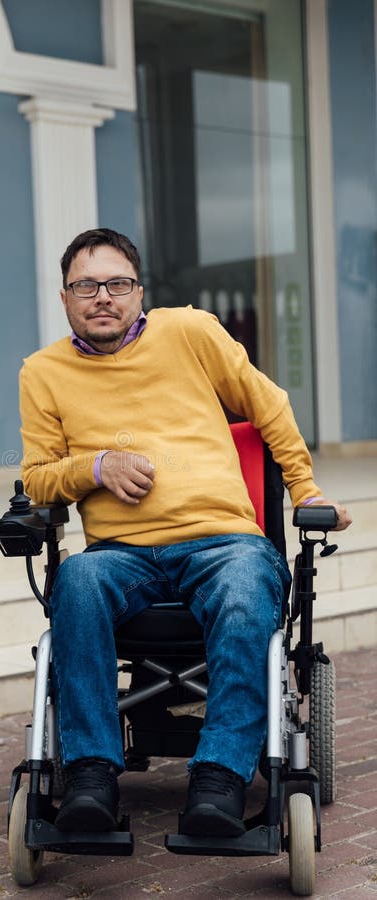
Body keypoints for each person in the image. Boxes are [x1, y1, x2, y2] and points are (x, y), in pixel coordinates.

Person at [19, 228, 352, 837]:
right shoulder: (42, 372)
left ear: (139, 291)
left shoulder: (191, 332)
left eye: (117, 283)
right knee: (77, 583)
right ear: (64, 297)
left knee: (246, 588)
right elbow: (38, 478)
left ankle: (219, 779)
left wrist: (306, 491)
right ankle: (91, 775)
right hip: (119, 554)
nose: (102, 297)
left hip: (224, 543)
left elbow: (268, 406)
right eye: (85, 286)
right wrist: (95, 467)